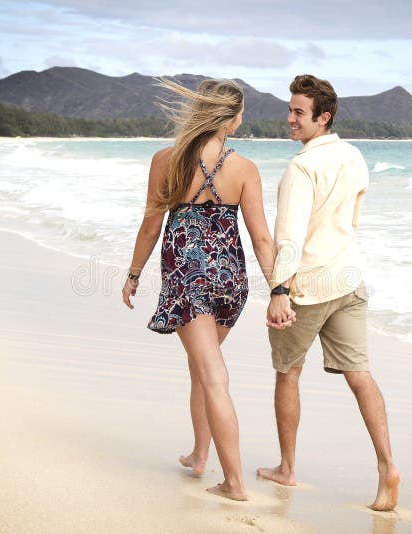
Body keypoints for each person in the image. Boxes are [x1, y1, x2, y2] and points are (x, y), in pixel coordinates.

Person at [122, 78, 291, 501]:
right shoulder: (245, 168)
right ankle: (200, 456)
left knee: (212, 373)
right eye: (241, 113)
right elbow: (262, 240)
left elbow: (150, 225)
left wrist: (134, 273)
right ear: (229, 120)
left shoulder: (166, 160)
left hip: (188, 279)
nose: (241, 119)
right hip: (229, 280)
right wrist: (277, 289)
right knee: (203, 366)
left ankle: (233, 483)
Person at [258, 74, 400, 511]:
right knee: (360, 375)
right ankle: (387, 467)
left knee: (288, 372)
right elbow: (352, 219)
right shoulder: (354, 156)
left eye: (299, 112)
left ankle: (287, 467)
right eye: (290, 110)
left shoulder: (301, 167)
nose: (290, 119)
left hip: (307, 288)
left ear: (324, 117)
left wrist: (279, 290)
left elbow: (289, 238)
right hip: (349, 279)